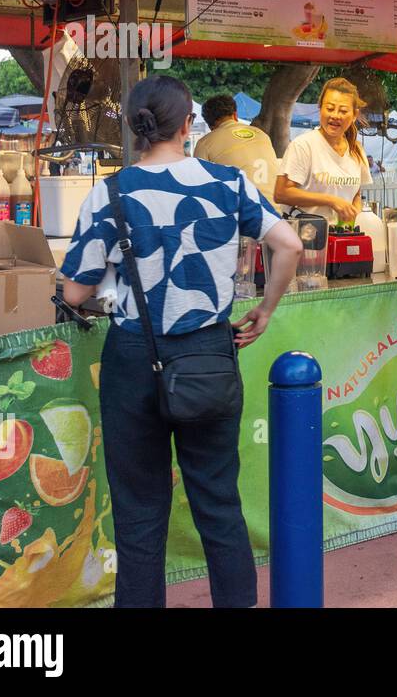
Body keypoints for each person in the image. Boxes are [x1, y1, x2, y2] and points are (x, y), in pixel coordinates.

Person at [59, 76, 302, 607]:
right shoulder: (228, 183)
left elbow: (76, 292)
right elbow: (289, 245)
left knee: (140, 518)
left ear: (135, 127)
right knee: (218, 504)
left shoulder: (111, 191)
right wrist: (264, 308)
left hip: (132, 363)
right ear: (189, 122)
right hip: (210, 355)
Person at [275, 78, 371, 224]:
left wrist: (354, 214)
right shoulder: (303, 145)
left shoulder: (356, 150)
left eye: (343, 111)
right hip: (306, 236)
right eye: (330, 108)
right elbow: (281, 193)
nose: (335, 115)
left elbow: (356, 194)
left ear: (354, 115)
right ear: (320, 108)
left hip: (342, 235)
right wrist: (331, 200)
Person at [192, 95, 281, 206]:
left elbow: (200, 187)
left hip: (240, 214)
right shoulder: (262, 135)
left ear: (210, 125)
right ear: (235, 114)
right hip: (274, 211)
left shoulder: (205, 143)